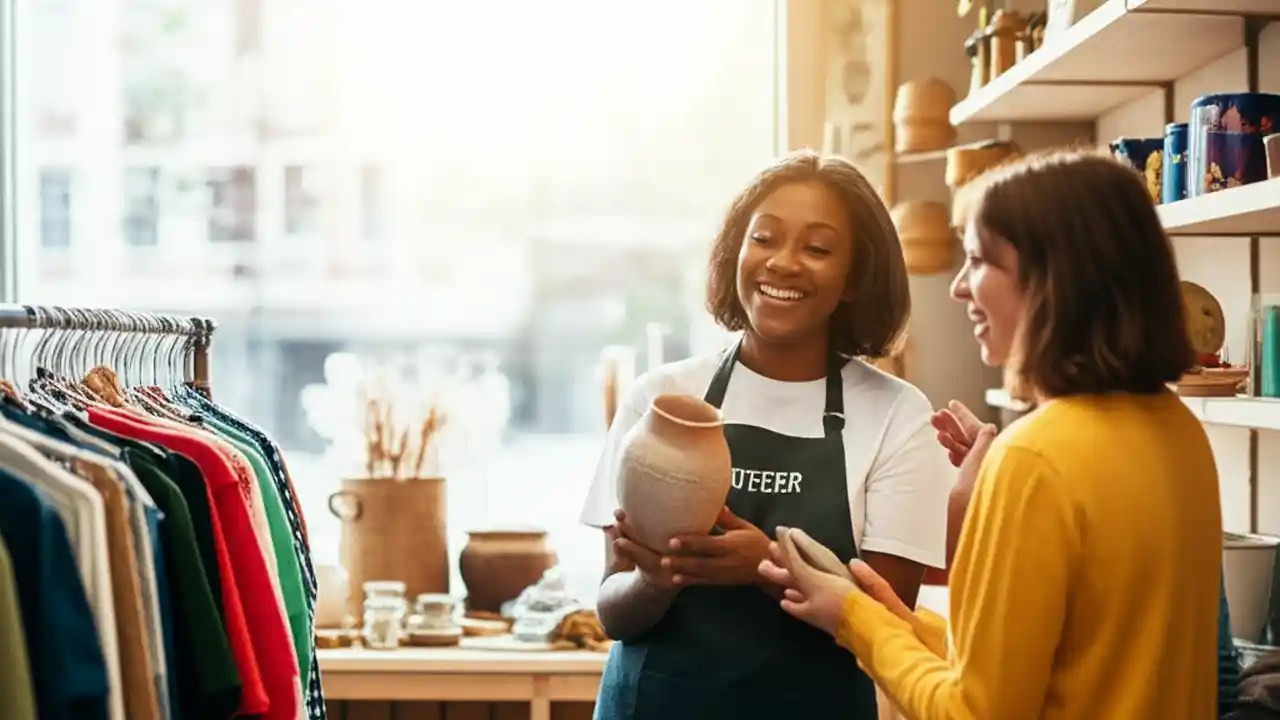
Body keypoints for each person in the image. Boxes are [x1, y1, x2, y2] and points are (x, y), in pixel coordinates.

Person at [760, 148, 1224, 719]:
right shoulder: (1178, 431)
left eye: (979, 261)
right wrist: (893, 620)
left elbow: (973, 713)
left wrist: (851, 619)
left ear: (1051, 280)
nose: (959, 287)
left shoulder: (1034, 459)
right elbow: (1065, 663)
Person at [578, 150, 953, 719]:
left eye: (817, 248)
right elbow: (613, 609)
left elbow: (889, 622)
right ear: (737, 251)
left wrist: (765, 567)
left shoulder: (896, 416)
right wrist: (656, 582)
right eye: (765, 239)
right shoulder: (662, 398)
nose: (782, 263)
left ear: (854, 278)